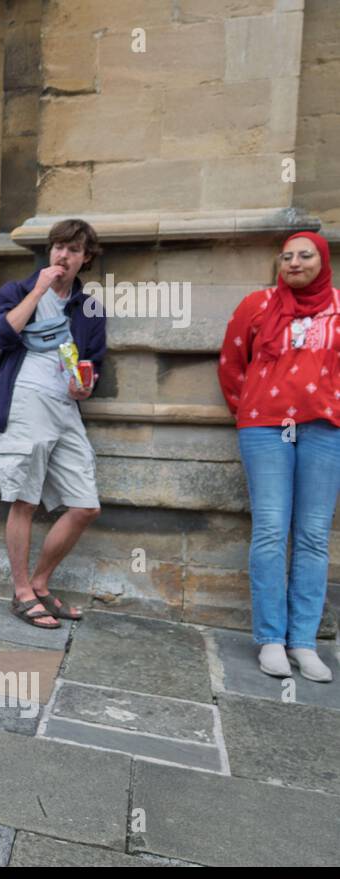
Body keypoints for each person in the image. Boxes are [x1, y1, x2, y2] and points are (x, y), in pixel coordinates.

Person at [219, 231, 339, 682]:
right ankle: (270, 638)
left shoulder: (339, 306)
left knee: (312, 535)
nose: (294, 263)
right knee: (270, 530)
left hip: (325, 429)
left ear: (322, 260)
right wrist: (248, 404)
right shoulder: (258, 304)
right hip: (265, 428)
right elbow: (231, 362)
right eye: (286, 257)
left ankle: (303, 643)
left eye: (305, 256)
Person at [0, 219, 107, 630]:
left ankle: (41, 582)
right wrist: (37, 291)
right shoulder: (18, 290)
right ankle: (20, 593)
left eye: (72, 250)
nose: (62, 256)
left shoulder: (89, 307)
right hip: (22, 402)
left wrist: (87, 386)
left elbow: (94, 364)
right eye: (57, 247)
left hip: (66, 408)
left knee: (85, 505)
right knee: (24, 500)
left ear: (86, 257)